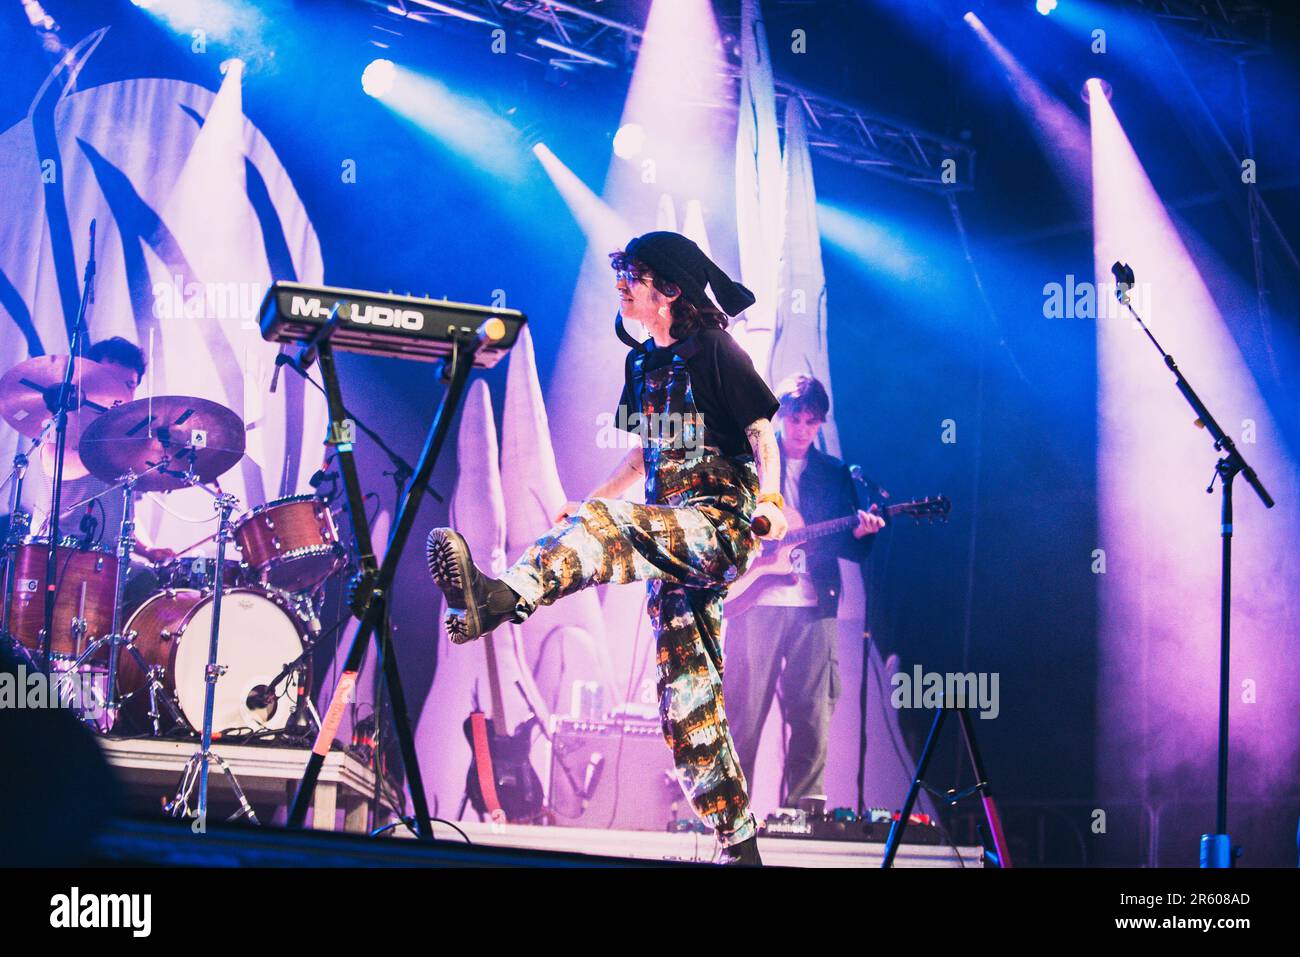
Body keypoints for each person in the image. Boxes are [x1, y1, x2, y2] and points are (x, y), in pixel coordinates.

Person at [426, 231, 786, 865]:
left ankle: (500, 596)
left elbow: (762, 431)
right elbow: (643, 454)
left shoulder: (715, 350)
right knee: (686, 701)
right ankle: (741, 847)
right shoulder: (644, 365)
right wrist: (589, 501)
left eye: (635, 274)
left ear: (670, 289)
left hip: (719, 525)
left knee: (613, 529)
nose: (621, 284)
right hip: (670, 534)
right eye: (621, 273)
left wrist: (772, 503)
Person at [723, 374, 884, 809]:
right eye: (795, 419)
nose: (802, 430)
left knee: (814, 713)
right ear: (781, 417)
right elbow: (722, 524)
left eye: (812, 422)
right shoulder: (747, 463)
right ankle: (731, 815)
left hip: (815, 604)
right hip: (755, 600)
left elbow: (849, 546)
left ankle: (804, 815)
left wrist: (865, 531)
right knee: (743, 714)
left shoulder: (833, 474)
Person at [19, 337, 173, 564]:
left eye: (129, 385)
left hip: (110, 561)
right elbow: (57, 466)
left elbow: (119, 520)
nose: (120, 392)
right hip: (57, 554)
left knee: (150, 584)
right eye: (111, 381)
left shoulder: (130, 438)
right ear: (89, 379)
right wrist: (125, 450)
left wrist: (148, 551)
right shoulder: (66, 421)